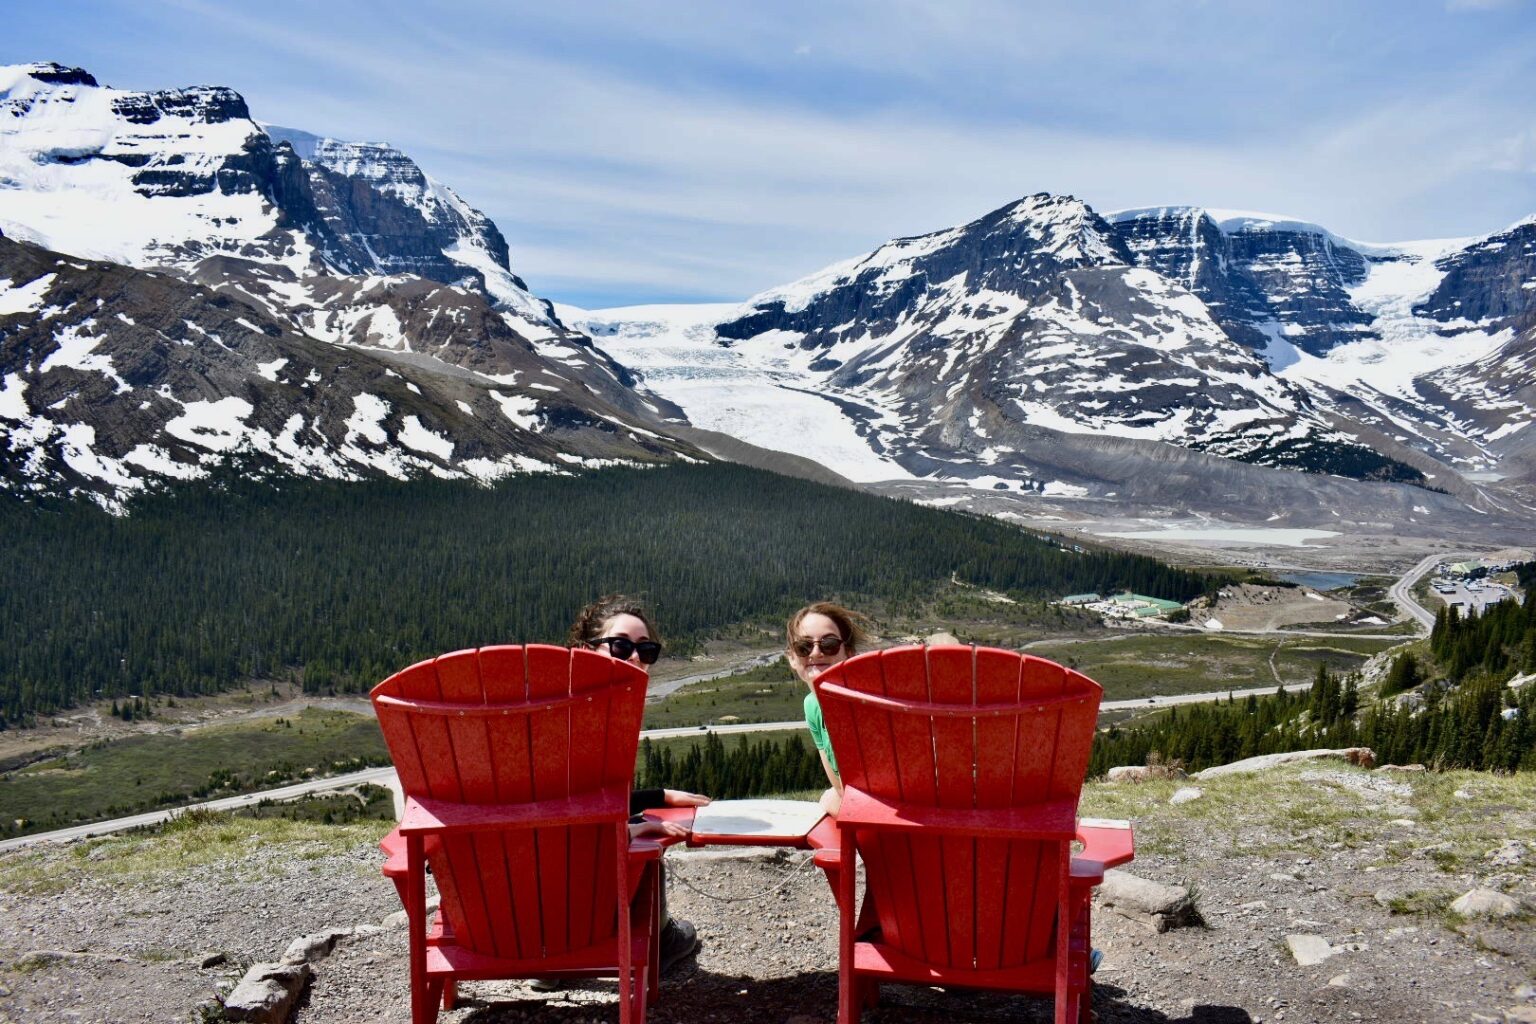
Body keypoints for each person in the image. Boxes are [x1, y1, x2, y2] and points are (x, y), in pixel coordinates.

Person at [564, 594, 708, 978]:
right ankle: (660, 940)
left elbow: (578, 801)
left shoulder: (552, 706)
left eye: (645, 650)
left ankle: (549, 960)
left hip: (517, 903)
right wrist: (632, 828)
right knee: (648, 831)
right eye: (620, 646)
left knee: (641, 819)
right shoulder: (596, 721)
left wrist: (658, 796)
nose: (634, 658)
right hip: (572, 882)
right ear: (586, 650)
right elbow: (574, 815)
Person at [785, 601, 871, 817]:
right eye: (803, 646)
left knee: (828, 798)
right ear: (792, 658)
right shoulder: (812, 706)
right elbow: (842, 790)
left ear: (849, 653)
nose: (815, 653)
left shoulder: (869, 703)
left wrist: (829, 800)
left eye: (829, 644)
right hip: (867, 816)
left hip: (904, 819)